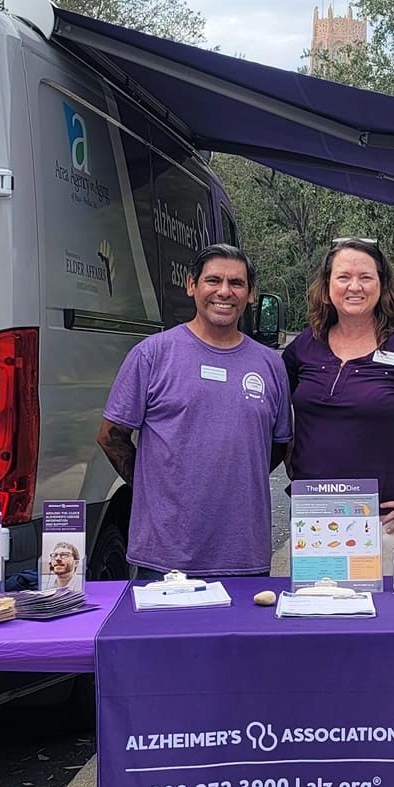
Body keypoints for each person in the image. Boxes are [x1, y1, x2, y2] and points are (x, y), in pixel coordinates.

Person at [98, 244, 291, 580]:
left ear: (251, 294)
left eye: (237, 283)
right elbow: (111, 436)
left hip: (244, 555)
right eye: (212, 280)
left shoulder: (271, 364)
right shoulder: (152, 355)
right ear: (192, 285)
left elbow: (276, 444)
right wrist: (153, 487)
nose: (224, 292)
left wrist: (232, 475)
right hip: (166, 556)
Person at [282, 238, 394, 529]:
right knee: (313, 578)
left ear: (381, 286)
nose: (354, 287)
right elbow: (277, 412)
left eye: (365, 277)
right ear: (327, 286)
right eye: (343, 277)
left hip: (380, 520)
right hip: (313, 517)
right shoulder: (305, 346)